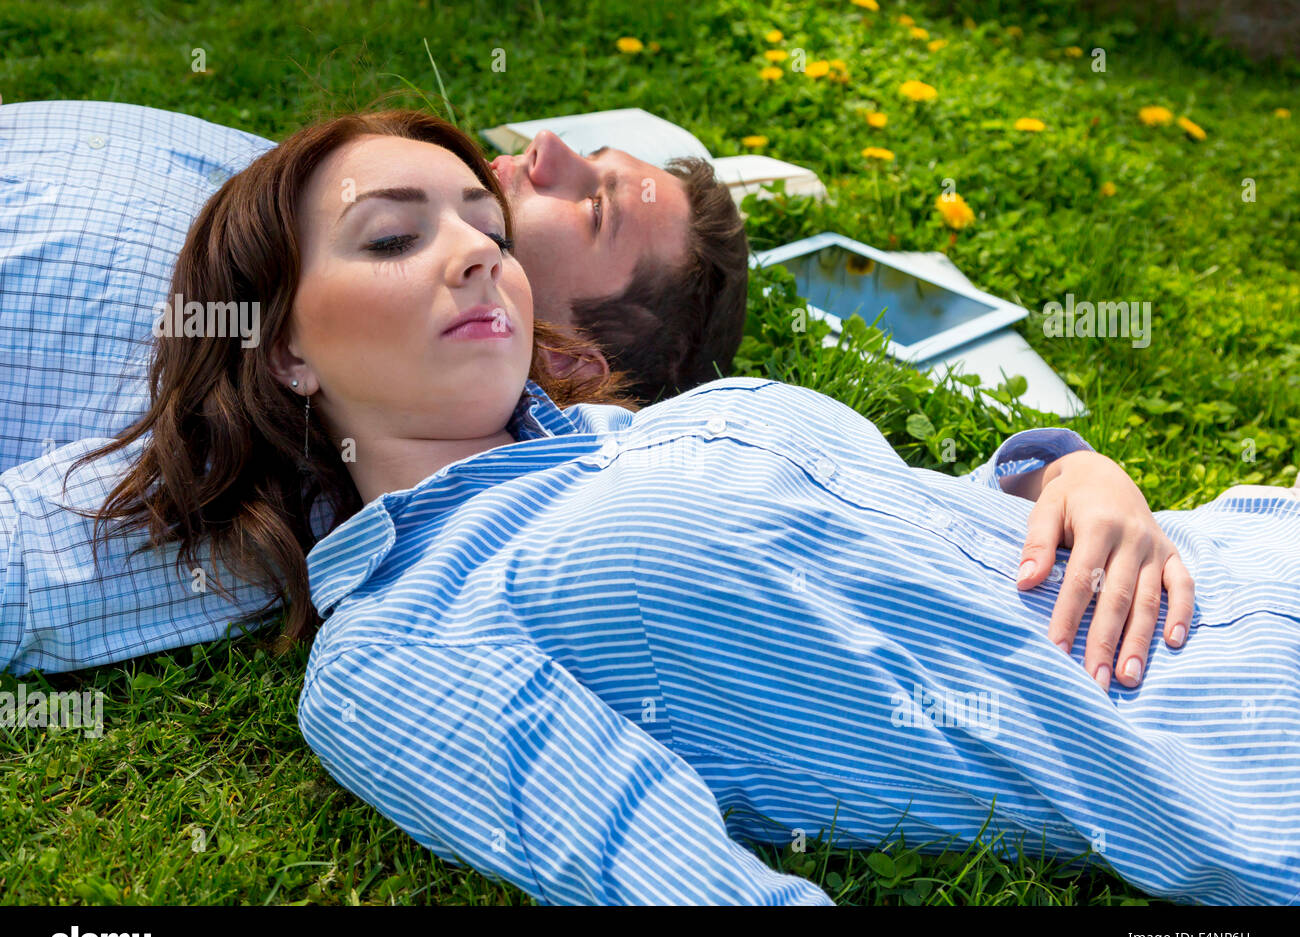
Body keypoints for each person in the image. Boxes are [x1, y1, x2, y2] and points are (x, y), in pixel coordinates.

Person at [66, 109, 1300, 906]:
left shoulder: (639, 427)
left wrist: (1072, 470)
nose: (478, 253)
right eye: (393, 238)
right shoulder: (401, 646)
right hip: (1246, 756)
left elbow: (944, 510)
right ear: (286, 355)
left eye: (484, 228)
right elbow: (656, 874)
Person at [0, 101, 1189, 679]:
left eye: (589, 207)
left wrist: (1068, 465)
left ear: (567, 355)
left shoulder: (269, 487)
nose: (545, 152)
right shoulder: (306, 196)